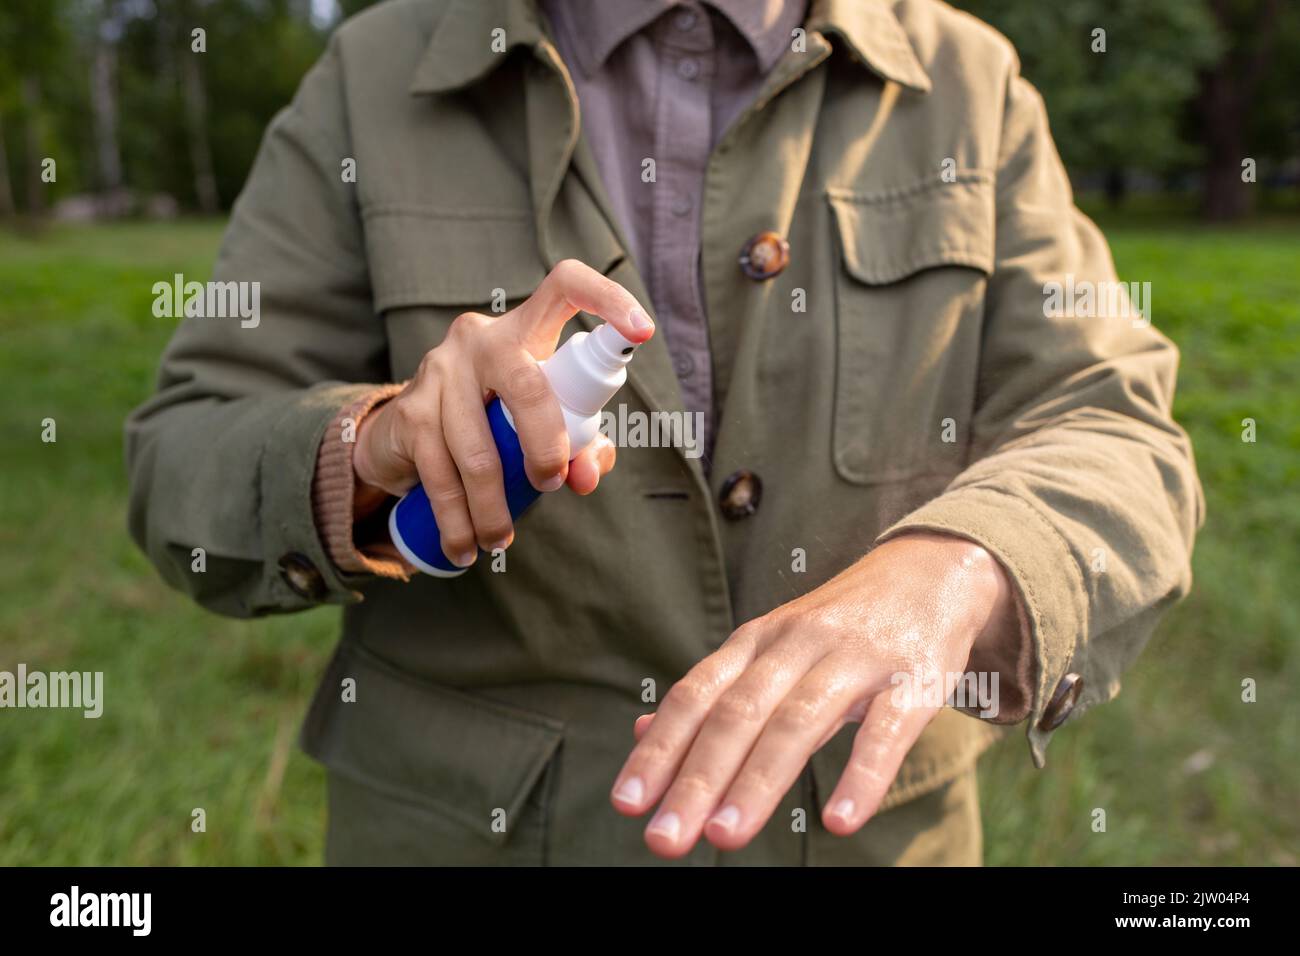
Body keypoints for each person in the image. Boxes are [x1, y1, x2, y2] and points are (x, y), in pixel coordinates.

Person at [126, 0, 1203, 865]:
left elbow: (1116, 429)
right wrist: (368, 446)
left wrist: (957, 566)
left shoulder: (970, 81)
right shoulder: (373, 74)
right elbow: (185, 451)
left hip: (869, 838)